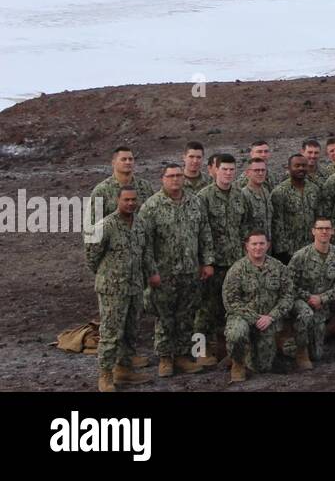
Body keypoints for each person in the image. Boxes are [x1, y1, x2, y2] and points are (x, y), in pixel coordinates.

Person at [139, 163, 215, 377]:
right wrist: (151, 272)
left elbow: (204, 232)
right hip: (164, 273)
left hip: (190, 271)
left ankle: (182, 356)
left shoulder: (195, 202)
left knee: (186, 316)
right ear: (162, 179)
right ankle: (165, 358)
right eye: (171, 176)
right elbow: (145, 244)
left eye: (178, 176)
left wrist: (207, 261)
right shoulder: (151, 206)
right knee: (164, 317)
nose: (175, 179)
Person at [86, 186, 151, 391]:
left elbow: (145, 252)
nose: (131, 203)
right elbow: (91, 256)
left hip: (134, 287)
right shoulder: (105, 225)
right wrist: (107, 275)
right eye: (126, 200)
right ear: (117, 200)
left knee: (131, 330)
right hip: (112, 289)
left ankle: (125, 369)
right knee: (111, 332)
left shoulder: (140, 224)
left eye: (133, 200)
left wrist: (151, 274)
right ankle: (105, 374)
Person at [196, 154, 252, 363]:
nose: (228, 173)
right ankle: (198, 351)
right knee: (205, 310)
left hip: (236, 263)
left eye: (231, 170)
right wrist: (207, 261)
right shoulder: (204, 197)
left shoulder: (240, 195)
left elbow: (246, 226)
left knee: (232, 307)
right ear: (215, 170)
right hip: (214, 264)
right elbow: (201, 231)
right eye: (224, 169)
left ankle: (226, 350)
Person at [222, 230, 294, 383]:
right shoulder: (237, 269)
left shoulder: (278, 268)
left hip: (268, 319)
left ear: (268, 245)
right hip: (243, 317)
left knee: (262, 367)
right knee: (236, 333)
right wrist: (254, 318)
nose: (258, 247)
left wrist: (271, 316)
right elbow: (231, 301)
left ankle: (249, 353)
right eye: (254, 244)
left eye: (262, 243)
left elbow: (288, 296)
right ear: (247, 246)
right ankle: (237, 363)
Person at [287, 217, 335, 369]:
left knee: (318, 356)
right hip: (303, 302)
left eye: (327, 228)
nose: (324, 231)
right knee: (306, 314)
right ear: (313, 231)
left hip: (325, 302)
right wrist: (309, 298)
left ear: (332, 231)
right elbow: (289, 285)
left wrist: (323, 298)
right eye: (320, 228)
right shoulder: (301, 256)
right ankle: (301, 351)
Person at [271, 154, 322, 262]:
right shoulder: (279, 192)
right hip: (289, 250)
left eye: (304, 165)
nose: (301, 168)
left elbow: (319, 217)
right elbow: (277, 223)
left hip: (311, 247)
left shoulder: (314, 189)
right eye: (297, 165)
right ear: (289, 168)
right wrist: (281, 251)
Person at [89, 146, 153, 224]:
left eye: (130, 159)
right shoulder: (101, 191)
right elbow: (92, 225)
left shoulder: (145, 187)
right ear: (113, 163)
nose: (128, 162)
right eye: (123, 159)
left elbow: (153, 216)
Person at [241, 156, 274, 252]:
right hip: (252, 249)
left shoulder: (266, 192)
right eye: (256, 170)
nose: (260, 173)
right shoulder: (243, 195)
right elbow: (242, 226)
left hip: (266, 247)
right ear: (248, 173)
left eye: (263, 170)